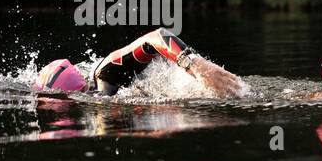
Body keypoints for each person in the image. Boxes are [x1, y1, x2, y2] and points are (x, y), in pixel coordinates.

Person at [33, 28, 247, 98]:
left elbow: (156, 36)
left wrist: (194, 64)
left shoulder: (105, 74)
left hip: (203, 80)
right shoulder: (104, 99)